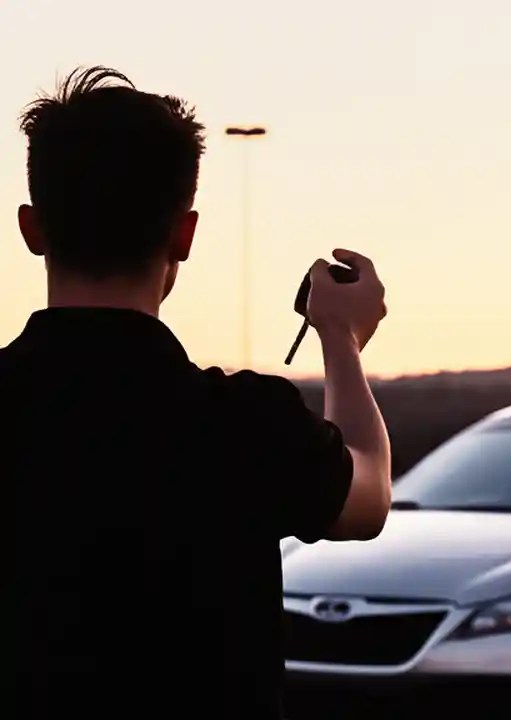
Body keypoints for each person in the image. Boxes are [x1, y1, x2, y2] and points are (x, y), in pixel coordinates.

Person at [3, 66, 393, 718]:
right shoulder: (245, 424)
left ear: (32, 228)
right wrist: (340, 339)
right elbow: (370, 493)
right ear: (183, 235)